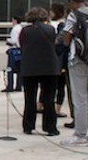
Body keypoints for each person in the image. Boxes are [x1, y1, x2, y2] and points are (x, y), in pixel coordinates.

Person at [60, 0, 88, 147]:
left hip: (79, 60)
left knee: (80, 98)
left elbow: (67, 37)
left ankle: (80, 135)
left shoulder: (74, 15)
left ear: (72, 1)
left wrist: (66, 43)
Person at [18, 8, 60, 136]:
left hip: (30, 67)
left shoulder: (25, 31)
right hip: (50, 67)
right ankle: (50, 127)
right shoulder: (51, 29)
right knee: (49, 98)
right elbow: (55, 44)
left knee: (29, 98)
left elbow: (21, 45)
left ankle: (28, 126)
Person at [3, 17, 23, 92]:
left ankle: (10, 86)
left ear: (15, 20)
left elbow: (14, 40)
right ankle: (19, 85)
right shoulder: (21, 28)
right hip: (20, 50)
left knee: (10, 69)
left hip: (14, 50)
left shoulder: (15, 29)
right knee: (19, 69)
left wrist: (8, 40)